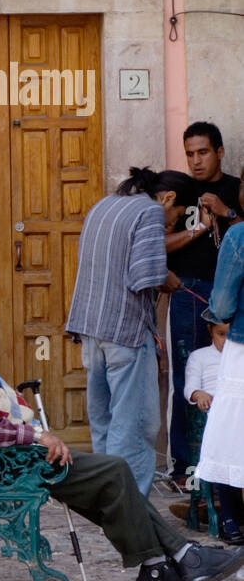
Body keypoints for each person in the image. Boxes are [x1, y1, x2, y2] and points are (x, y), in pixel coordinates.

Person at [0, 269, 244, 581]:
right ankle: (173, 561)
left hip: (3, 459)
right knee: (112, 473)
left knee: (110, 479)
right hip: (2, 464)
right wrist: (37, 436)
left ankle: (166, 565)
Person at [66, 167, 196, 495]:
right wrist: (167, 279)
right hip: (125, 331)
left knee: (105, 424)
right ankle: (130, 508)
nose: (172, 225)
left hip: (90, 328)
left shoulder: (104, 205)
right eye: (177, 216)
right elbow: (144, 277)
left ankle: (106, 498)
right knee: (135, 426)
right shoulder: (151, 210)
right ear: (169, 198)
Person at [165, 122, 242, 484]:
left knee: (228, 378)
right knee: (187, 374)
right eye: (190, 154)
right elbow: (159, 243)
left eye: (203, 152)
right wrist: (197, 228)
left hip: (229, 293)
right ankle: (184, 465)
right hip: (189, 292)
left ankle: (223, 466)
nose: (196, 161)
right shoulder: (180, 190)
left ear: (220, 152)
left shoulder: (234, 189)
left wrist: (225, 211)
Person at [199, 187, 244, 546]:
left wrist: (217, 315)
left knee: (232, 436)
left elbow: (224, 300)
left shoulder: (239, 236)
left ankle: (231, 519)